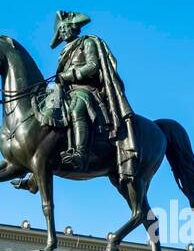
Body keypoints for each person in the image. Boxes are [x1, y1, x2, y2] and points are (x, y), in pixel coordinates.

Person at [50, 10, 138, 182]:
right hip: (66, 91)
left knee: (77, 108)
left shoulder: (87, 42)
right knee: (48, 111)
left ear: (74, 27)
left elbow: (92, 66)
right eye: (60, 30)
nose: (63, 32)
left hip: (86, 89)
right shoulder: (64, 52)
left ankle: (81, 153)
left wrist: (69, 75)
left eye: (65, 27)